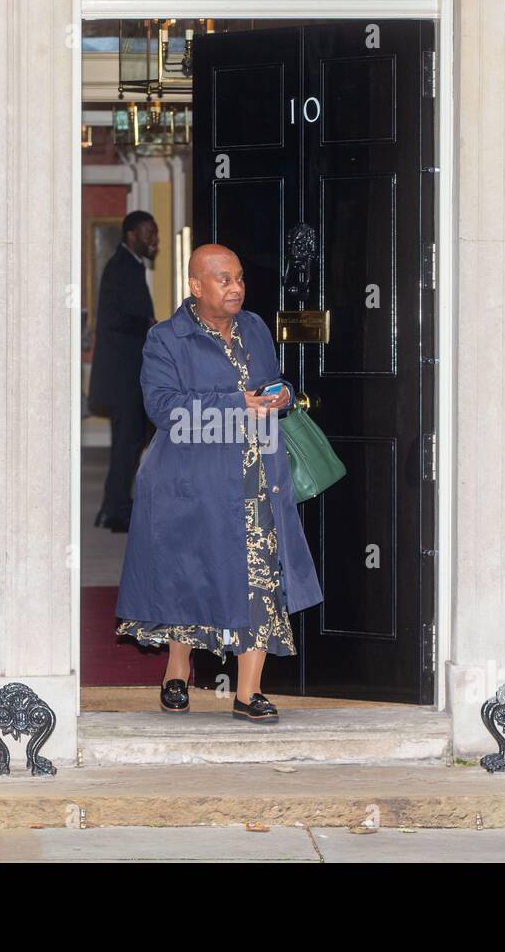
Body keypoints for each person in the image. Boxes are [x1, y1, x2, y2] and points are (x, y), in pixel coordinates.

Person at [114, 244, 323, 723]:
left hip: (258, 479)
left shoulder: (253, 328)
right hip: (190, 480)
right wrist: (236, 403)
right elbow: (165, 408)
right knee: (190, 575)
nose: (236, 288)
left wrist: (284, 395)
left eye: (240, 279)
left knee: (260, 576)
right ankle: (178, 665)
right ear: (196, 286)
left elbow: (269, 387)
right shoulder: (166, 338)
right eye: (224, 279)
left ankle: (248, 692)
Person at [90, 210, 159, 532]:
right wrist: (148, 325)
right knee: (127, 445)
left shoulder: (130, 265)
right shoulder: (122, 267)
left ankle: (112, 507)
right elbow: (113, 320)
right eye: (148, 233)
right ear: (131, 234)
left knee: (129, 444)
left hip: (127, 376)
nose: (153, 240)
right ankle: (115, 512)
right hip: (123, 378)